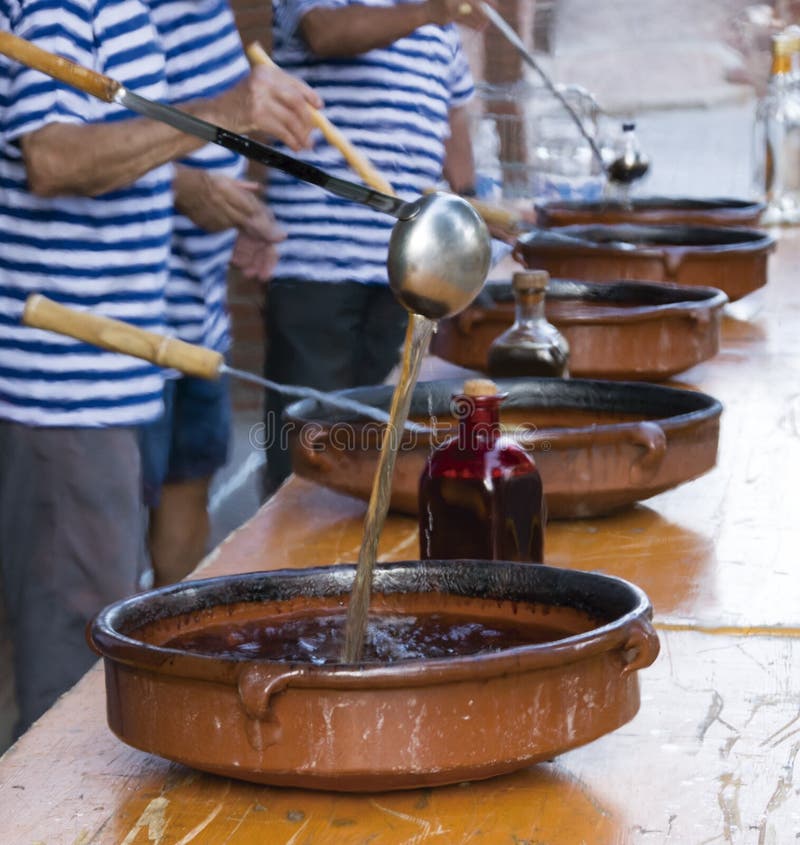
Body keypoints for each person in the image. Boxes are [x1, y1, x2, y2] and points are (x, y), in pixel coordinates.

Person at [0, 0, 319, 736]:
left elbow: (124, 149)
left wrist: (220, 204)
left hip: (112, 382)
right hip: (66, 390)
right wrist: (223, 112)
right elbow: (53, 157)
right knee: (73, 676)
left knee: (94, 638)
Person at [235, 0, 487, 494]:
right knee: (308, 451)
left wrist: (472, 210)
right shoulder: (427, 12)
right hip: (316, 260)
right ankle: (292, 542)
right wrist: (428, 12)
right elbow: (324, 33)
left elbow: (455, 117)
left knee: (384, 441)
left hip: (410, 265)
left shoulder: (439, 24)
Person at [139, 0, 289, 587]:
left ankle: (168, 633)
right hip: (127, 325)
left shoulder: (211, 12)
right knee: (96, 533)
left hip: (200, 313)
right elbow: (72, 147)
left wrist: (236, 221)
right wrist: (182, 187)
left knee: (189, 484)